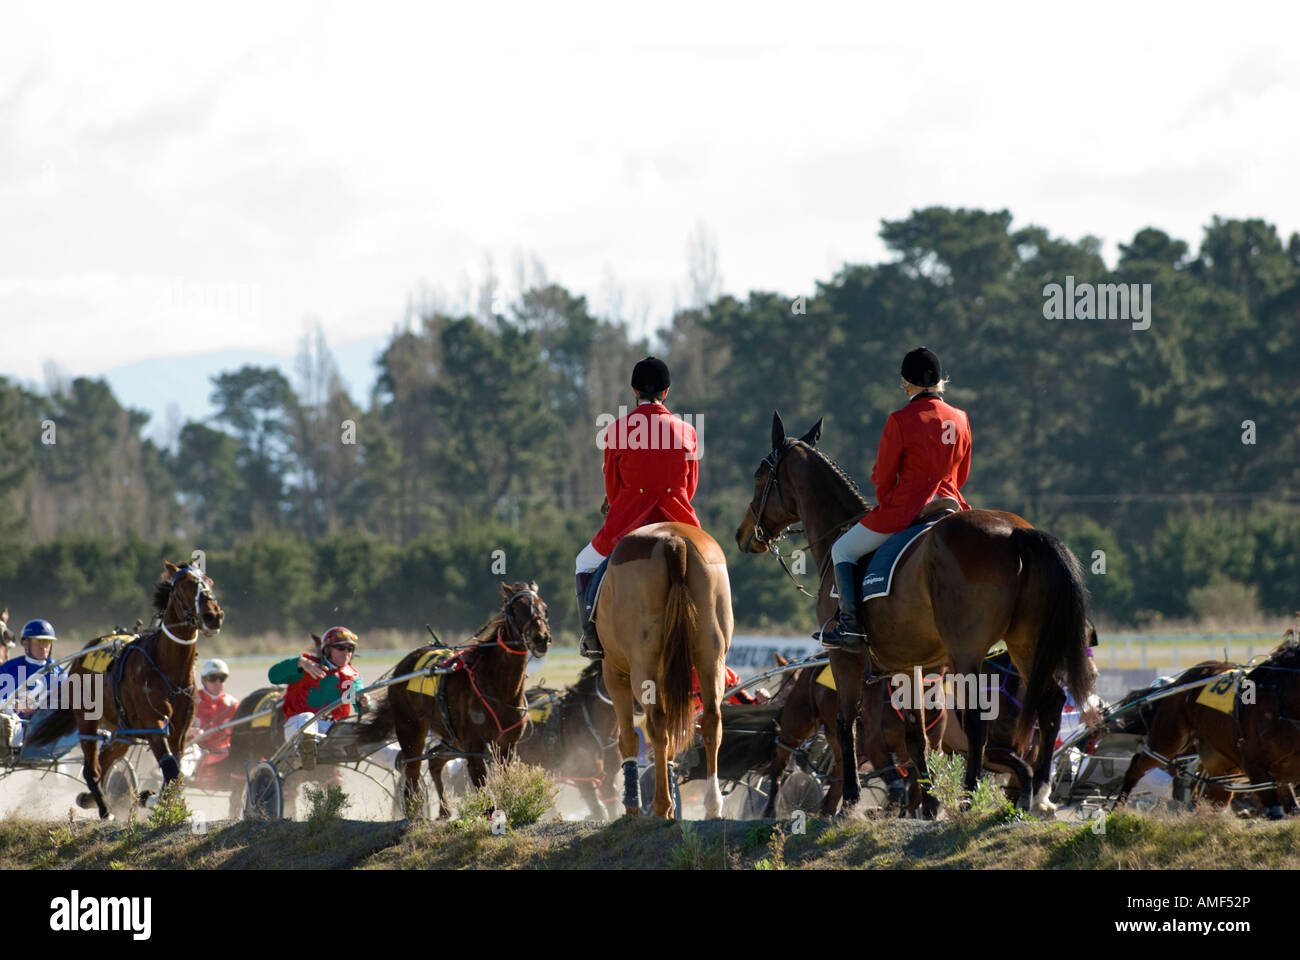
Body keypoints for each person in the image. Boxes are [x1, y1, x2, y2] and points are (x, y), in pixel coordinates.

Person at [816, 347, 972, 649]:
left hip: (906, 509)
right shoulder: (961, 418)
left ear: (907, 383)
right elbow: (962, 472)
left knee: (842, 550)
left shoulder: (900, 420)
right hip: (952, 504)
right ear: (941, 382)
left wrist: (888, 503)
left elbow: (883, 476)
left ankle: (850, 627)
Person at [574, 356, 701, 659]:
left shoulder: (616, 430)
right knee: (712, 566)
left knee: (583, 564)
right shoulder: (688, 431)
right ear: (666, 391)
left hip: (628, 523)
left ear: (634, 390)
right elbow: (691, 486)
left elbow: (612, 487)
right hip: (680, 521)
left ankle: (591, 636)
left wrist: (621, 505)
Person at [268, 627, 368, 765]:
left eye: (350, 649)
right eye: (340, 648)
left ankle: (397, 760)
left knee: (368, 729)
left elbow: (359, 705)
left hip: (332, 732)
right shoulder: (307, 664)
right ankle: (308, 750)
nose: (346, 652)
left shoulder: (351, 676)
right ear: (327, 650)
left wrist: (365, 702)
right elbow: (273, 676)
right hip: (297, 727)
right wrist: (300, 663)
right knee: (307, 718)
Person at [0, 619, 67, 749]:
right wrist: (15, 705)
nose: (43, 647)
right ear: (25, 643)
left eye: (47, 642)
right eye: (38, 641)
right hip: (14, 732)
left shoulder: (60, 673)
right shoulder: (8, 668)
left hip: (48, 733)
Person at [187, 658, 240, 788]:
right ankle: (175, 790)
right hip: (195, 748)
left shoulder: (233, 704)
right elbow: (175, 729)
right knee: (187, 758)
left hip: (223, 751)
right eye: (212, 678)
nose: (217, 683)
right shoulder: (191, 701)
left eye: (221, 678)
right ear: (204, 680)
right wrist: (192, 732)